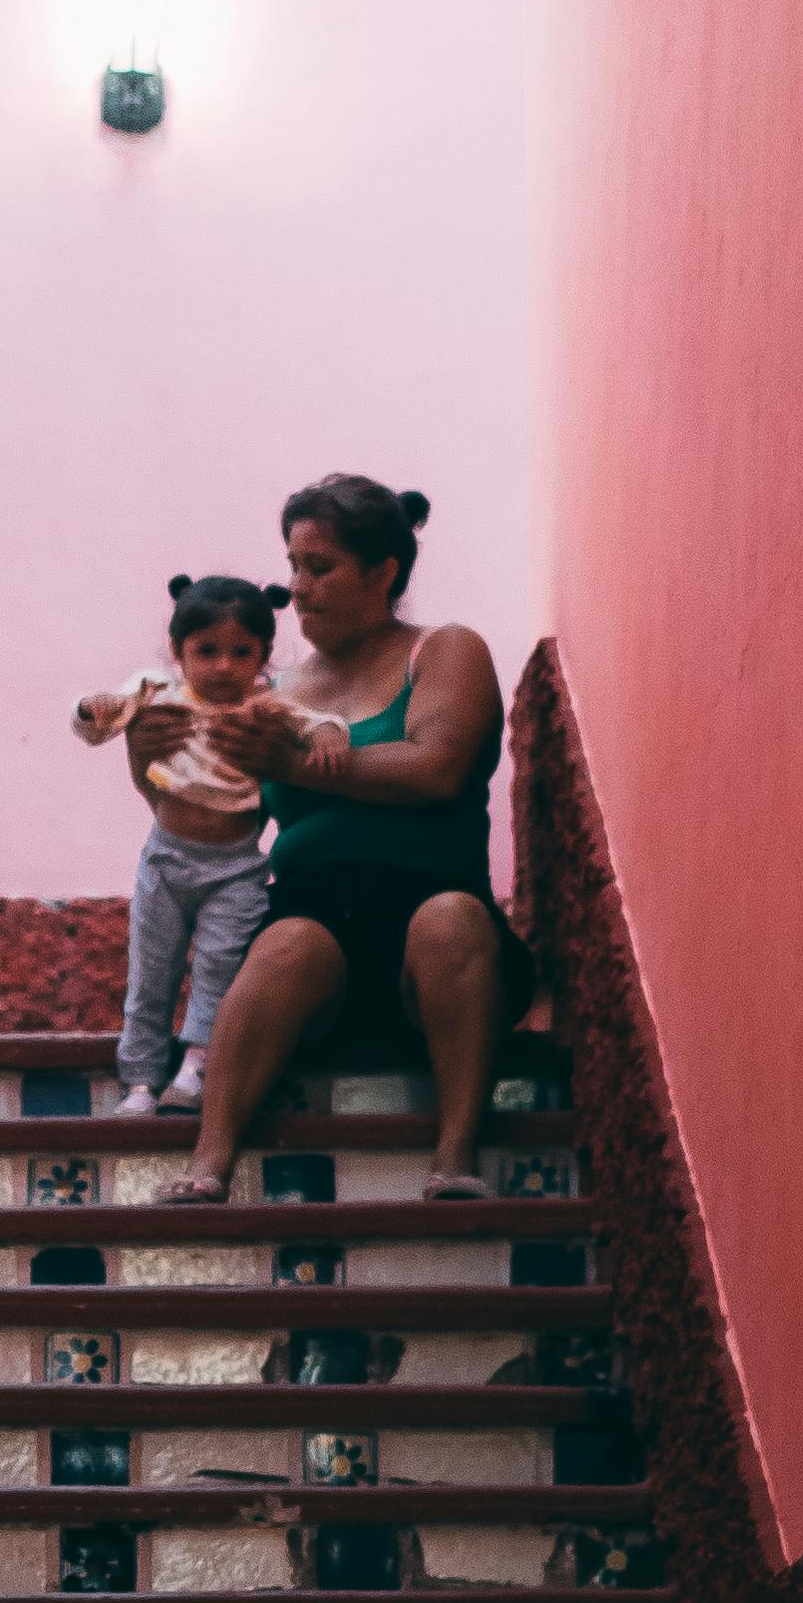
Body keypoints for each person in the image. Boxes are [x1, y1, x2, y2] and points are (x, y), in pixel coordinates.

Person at [160, 476, 510, 1202]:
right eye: (292, 566)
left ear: (382, 572)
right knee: (285, 942)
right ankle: (207, 1163)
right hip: (316, 920)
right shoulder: (274, 691)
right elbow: (224, 816)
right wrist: (154, 772)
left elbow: (435, 768)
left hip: (436, 922)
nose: (297, 588)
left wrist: (294, 766)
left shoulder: (442, 651)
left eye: (318, 568)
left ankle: (454, 1154)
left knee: (449, 921)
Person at [72, 571, 282, 1119]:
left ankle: (196, 1067)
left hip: (238, 869)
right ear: (177, 651)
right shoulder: (155, 692)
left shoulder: (269, 707)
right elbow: (98, 722)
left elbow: (314, 724)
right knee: (152, 971)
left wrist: (328, 732)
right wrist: (91, 709)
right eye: (205, 650)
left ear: (264, 655)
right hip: (166, 859)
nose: (223, 666)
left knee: (219, 967)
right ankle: (139, 1080)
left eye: (242, 652)